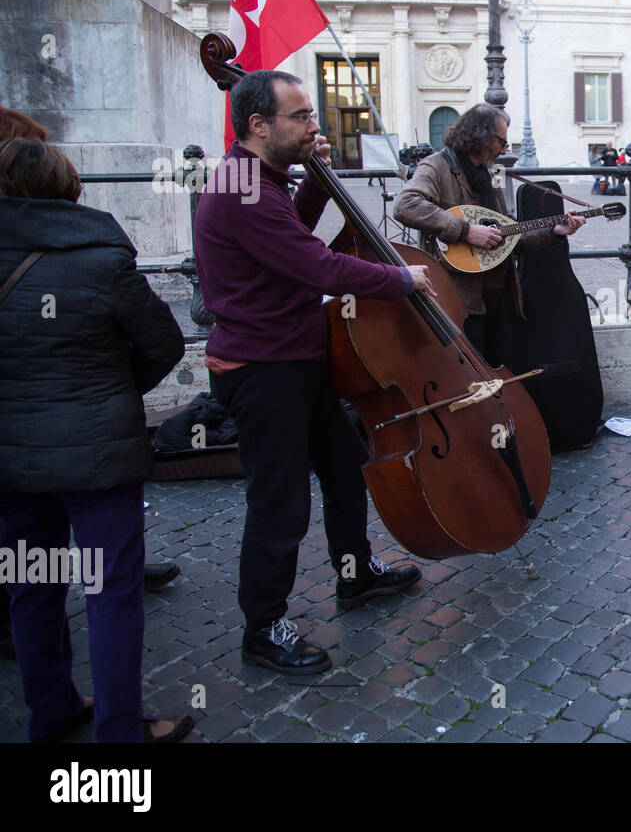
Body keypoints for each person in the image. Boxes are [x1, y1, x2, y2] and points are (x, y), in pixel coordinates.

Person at [194, 69, 431, 675]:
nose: (313, 126)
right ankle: (263, 626)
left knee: (346, 468)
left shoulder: (262, 180)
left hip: (296, 356)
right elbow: (314, 264)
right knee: (279, 503)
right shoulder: (243, 188)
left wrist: (319, 186)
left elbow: (291, 234)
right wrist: (400, 279)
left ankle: (355, 576)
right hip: (263, 366)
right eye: (300, 116)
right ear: (257, 125)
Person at [0, 138, 192, 741]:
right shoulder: (101, 256)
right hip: (96, 455)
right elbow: (163, 343)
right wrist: (111, 393)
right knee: (110, 592)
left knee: (31, 586)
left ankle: (51, 713)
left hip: (14, 456)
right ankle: (118, 731)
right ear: (67, 186)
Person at [395, 104, 585, 370]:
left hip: (501, 292)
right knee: (469, 376)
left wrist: (554, 232)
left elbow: (507, 236)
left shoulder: (490, 176)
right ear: (480, 135)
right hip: (462, 298)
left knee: (500, 372)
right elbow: (406, 205)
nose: (504, 150)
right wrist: (466, 231)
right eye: (501, 141)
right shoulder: (436, 166)